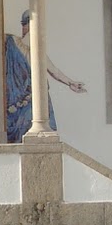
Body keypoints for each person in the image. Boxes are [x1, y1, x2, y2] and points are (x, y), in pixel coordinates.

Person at [5, 10, 85, 141]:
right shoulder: (11, 42)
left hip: (34, 100)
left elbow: (54, 71)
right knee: (19, 134)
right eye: (27, 25)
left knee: (38, 130)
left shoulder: (38, 53)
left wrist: (71, 83)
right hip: (16, 101)